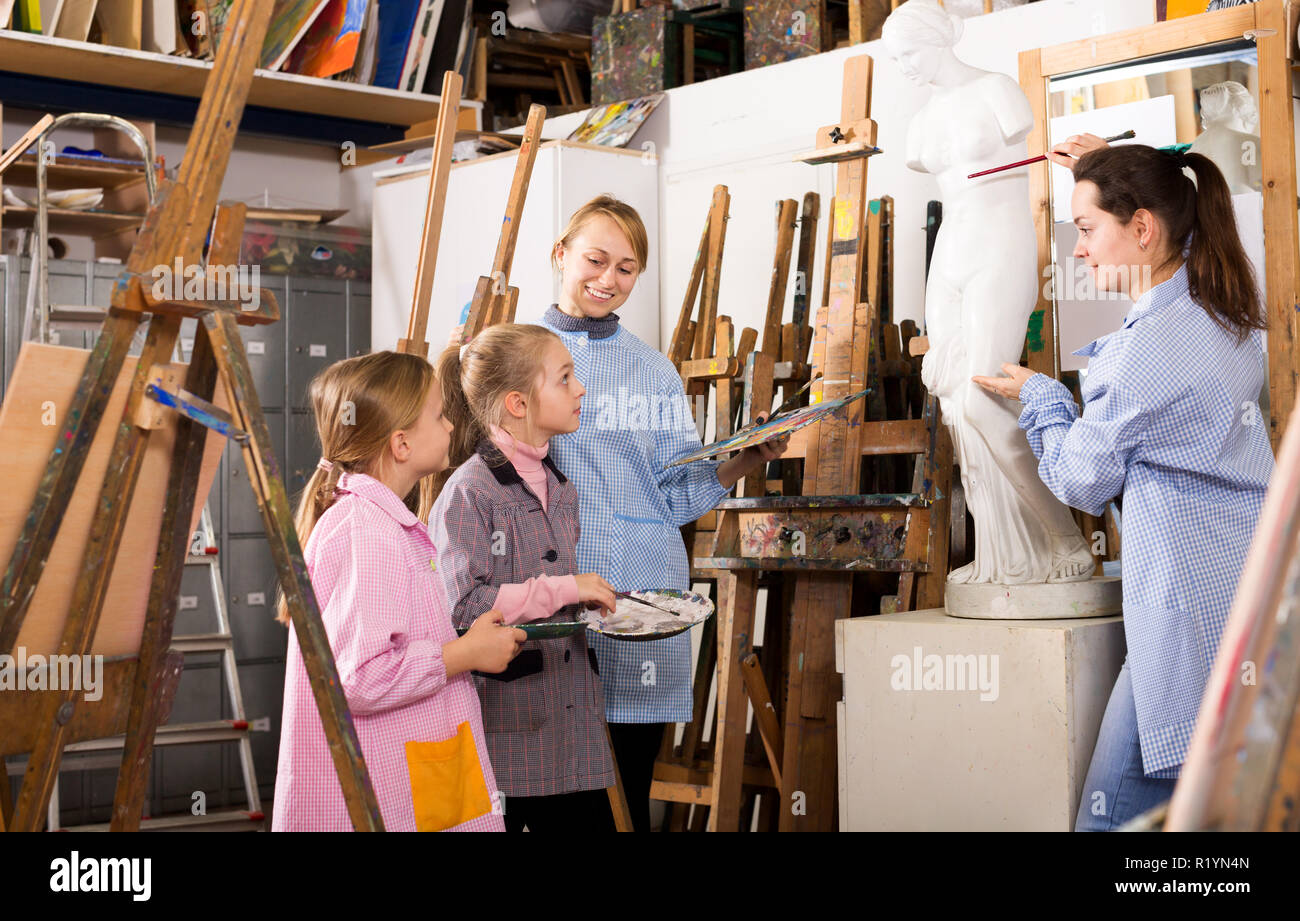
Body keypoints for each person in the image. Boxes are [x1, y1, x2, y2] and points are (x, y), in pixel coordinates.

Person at [974, 141, 1274, 830]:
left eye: (1085, 229)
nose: (1078, 251)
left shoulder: (1146, 351)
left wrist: (1046, 399)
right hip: (1243, 609)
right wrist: (1116, 159)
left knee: (1106, 823)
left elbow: (1080, 477)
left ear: (1142, 228)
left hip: (1182, 621)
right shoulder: (1226, 314)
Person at [541, 195, 789, 831]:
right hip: (557, 593)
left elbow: (675, 493)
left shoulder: (653, 371)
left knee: (628, 777)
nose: (608, 279)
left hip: (647, 594)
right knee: (555, 789)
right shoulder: (519, 354)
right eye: (596, 260)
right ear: (560, 255)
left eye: (627, 268)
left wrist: (745, 457)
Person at [273, 351, 525, 832]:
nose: (452, 426)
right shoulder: (364, 531)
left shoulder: (384, 523)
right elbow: (361, 678)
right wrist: (465, 654)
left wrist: (468, 643)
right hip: (386, 785)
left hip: (419, 767)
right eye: (439, 415)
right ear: (401, 443)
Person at [431, 323, 620, 832]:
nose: (580, 389)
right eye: (564, 379)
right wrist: (567, 589)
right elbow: (466, 607)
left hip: (573, 723)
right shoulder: (469, 492)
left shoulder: (562, 489)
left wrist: (593, 603)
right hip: (510, 732)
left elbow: (552, 599)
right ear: (517, 403)